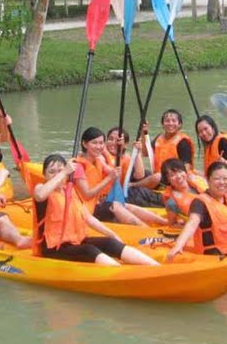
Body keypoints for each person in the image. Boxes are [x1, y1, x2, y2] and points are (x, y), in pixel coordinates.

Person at [24, 153, 159, 266]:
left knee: (110, 243)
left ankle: (154, 268)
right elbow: (40, 196)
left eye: (59, 171)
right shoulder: (41, 188)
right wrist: (64, 171)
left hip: (76, 241)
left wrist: (111, 234)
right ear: (44, 174)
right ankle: (123, 274)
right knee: (89, 250)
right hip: (53, 247)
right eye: (51, 172)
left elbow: (88, 218)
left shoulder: (70, 191)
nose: (56, 175)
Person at [74, 127, 164, 227]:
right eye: (94, 143)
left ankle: (164, 222)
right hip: (86, 208)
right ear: (84, 144)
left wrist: (123, 148)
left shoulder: (98, 161)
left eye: (101, 143)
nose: (98, 146)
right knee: (116, 206)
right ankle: (145, 229)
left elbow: (116, 172)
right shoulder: (79, 165)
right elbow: (87, 194)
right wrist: (110, 177)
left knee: (127, 206)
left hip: (101, 201)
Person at [148, 110, 196, 185]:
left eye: (174, 121)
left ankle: (132, 185)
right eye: (167, 121)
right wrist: (143, 133)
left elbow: (187, 167)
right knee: (143, 173)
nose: (170, 123)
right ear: (162, 124)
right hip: (160, 175)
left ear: (179, 124)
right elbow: (145, 153)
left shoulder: (183, 142)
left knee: (157, 177)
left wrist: (176, 179)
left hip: (174, 178)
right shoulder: (159, 137)